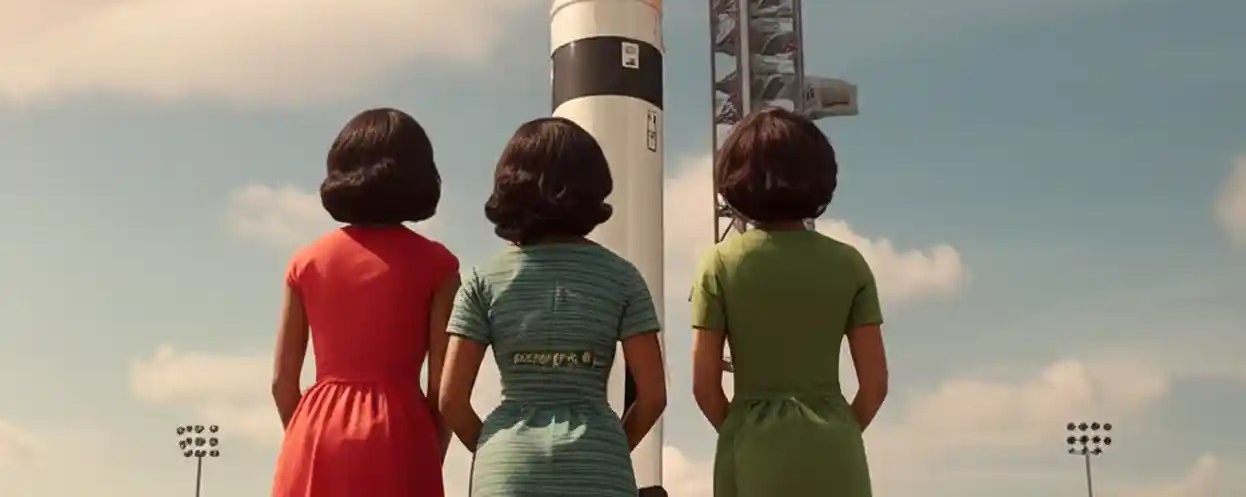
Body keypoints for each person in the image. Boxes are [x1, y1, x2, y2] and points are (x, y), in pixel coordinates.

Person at [439, 117, 667, 497]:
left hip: (506, 467)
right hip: (598, 463)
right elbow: (653, 395)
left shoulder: (483, 277)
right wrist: (606, 448)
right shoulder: (623, 277)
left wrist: (495, 446)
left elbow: (451, 399)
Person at [690, 107, 889, 497]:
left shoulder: (720, 263)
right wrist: (839, 429)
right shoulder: (850, 263)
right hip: (835, 447)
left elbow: (704, 387)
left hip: (751, 444)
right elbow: (875, 385)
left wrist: (740, 431)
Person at [271, 108, 459, 497]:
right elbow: (443, 387)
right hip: (400, 428)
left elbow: (282, 384)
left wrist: (307, 435)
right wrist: (428, 450)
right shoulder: (439, 264)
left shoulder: (306, 262)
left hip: (316, 426)